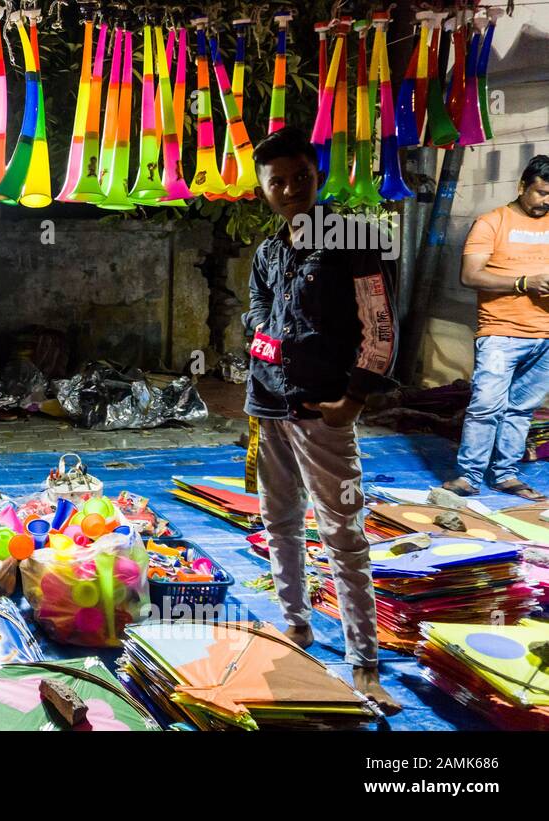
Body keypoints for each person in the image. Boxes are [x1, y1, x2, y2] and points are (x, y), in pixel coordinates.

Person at [242, 127, 402, 714]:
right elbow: (256, 313)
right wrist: (270, 349)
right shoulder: (268, 251)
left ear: (318, 177)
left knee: (344, 535)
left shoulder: (352, 241)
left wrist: (354, 398)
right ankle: (296, 625)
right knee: (279, 521)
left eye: (301, 178)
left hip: (323, 409)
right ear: (262, 188)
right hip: (268, 406)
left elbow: (380, 324)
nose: (290, 190)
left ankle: (365, 664)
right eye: (277, 181)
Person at [442, 156, 549, 500]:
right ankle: (469, 476)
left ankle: (506, 475)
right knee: (486, 406)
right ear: (521, 186)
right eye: (541, 193)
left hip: (546, 336)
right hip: (501, 332)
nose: (546, 201)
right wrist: (524, 282)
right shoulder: (491, 223)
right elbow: (470, 275)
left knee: (521, 409)